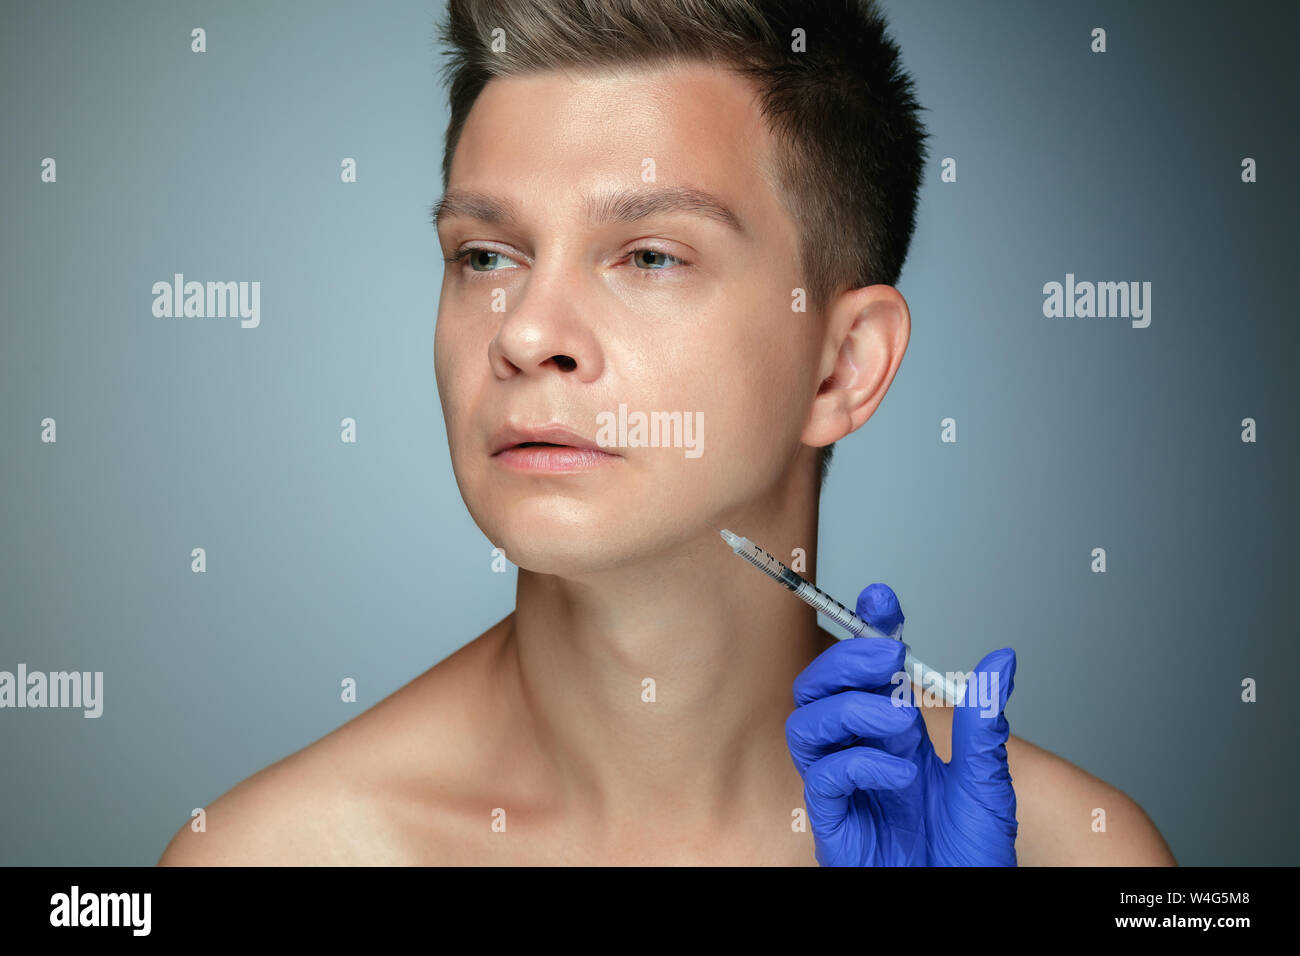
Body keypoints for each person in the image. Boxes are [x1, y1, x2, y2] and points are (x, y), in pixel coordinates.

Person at [159, 0, 1175, 866]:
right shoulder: (273, 854)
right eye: (485, 255)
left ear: (842, 364)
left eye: (646, 256)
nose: (525, 332)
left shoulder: (1072, 850)